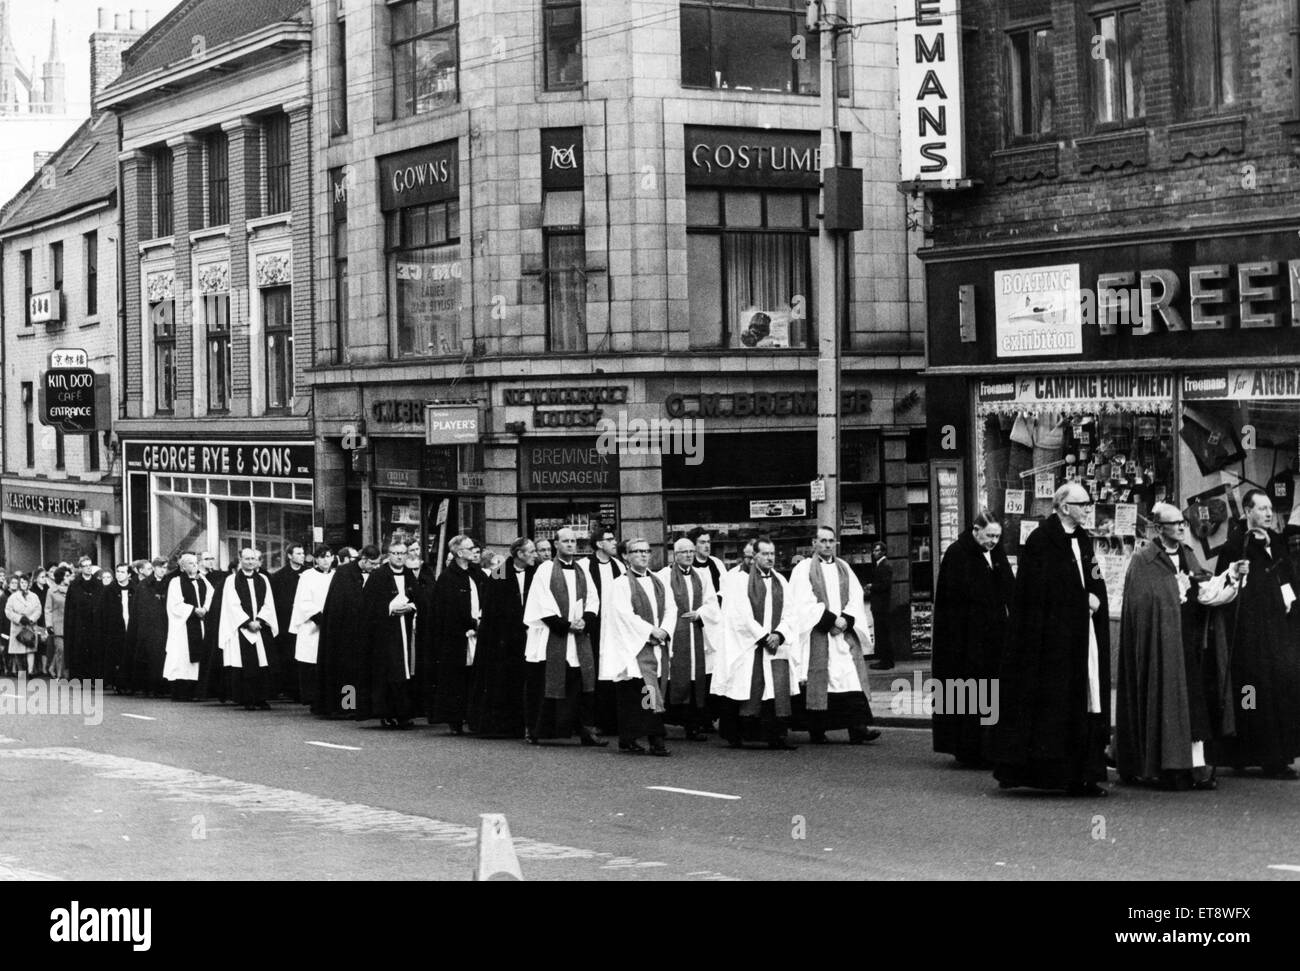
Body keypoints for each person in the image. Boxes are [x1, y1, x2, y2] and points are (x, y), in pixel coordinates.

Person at [1116, 503, 1243, 791]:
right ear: (1159, 528)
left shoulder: (1187, 555)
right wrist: (1176, 593)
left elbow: (1205, 590)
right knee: (1165, 699)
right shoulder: (1143, 561)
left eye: (1182, 523)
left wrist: (1232, 575)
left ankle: (1194, 766)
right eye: (1175, 524)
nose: (1182, 528)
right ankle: (1166, 767)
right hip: (1160, 645)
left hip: (1188, 642)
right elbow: (1142, 604)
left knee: (1193, 703)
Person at [994, 484, 1111, 796]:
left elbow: (1094, 575)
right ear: (1062, 506)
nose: (1088, 508)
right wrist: (1080, 598)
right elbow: (1040, 592)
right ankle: (1055, 773)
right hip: (1053, 642)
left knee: (1087, 700)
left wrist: (1097, 596)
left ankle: (1085, 774)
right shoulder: (1041, 541)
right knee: (1056, 706)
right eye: (1082, 503)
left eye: (1089, 503)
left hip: (1083, 634)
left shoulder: (1083, 539)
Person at [1213, 490, 1300, 779]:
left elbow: (1286, 576)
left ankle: (1276, 753)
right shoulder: (1235, 545)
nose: (1267, 513)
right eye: (1261, 508)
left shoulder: (1276, 542)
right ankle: (1249, 752)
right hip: (1250, 633)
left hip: (1278, 627)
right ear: (1247, 511)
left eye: (1269, 508)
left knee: (1279, 688)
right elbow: (1226, 585)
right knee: (1250, 691)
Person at [931, 513, 1015, 767]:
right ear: (976, 531)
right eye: (989, 535)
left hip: (993, 636)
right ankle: (968, 749)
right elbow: (953, 602)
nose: (993, 541)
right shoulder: (957, 554)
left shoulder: (996, 553)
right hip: (965, 638)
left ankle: (988, 746)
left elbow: (1009, 588)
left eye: (997, 536)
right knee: (968, 693)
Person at [789, 527, 881, 744]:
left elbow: (855, 597)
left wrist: (845, 620)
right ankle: (817, 730)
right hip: (819, 635)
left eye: (831, 541)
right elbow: (802, 601)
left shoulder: (844, 567)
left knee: (851, 680)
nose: (828, 545)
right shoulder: (803, 569)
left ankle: (858, 728)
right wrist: (830, 620)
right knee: (821, 681)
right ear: (814, 543)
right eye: (823, 541)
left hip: (842, 636)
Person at [522, 527, 606, 746]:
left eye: (573, 541)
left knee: (582, 683)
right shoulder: (546, 570)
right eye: (565, 541)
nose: (570, 544)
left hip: (578, 637)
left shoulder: (583, 570)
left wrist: (585, 620)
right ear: (556, 545)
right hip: (554, 635)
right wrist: (566, 625)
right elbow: (542, 602)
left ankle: (586, 730)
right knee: (549, 682)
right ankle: (539, 730)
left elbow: (593, 599)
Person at [715, 538, 800, 750]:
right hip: (751, 646)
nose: (770, 558)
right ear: (755, 557)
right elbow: (740, 615)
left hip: (775, 647)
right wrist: (763, 636)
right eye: (765, 554)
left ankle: (776, 736)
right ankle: (739, 735)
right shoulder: (741, 581)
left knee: (775, 690)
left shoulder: (781, 580)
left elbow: (791, 612)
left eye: (773, 553)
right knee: (748, 688)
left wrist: (779, 634)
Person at [600, 538, 675, 756]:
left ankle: (639, 737)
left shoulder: (659, 582)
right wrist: (651, 631)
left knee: (650, 692)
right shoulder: (620, 583)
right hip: (633, 650)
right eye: (637, 551)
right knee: (639, 695)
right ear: (626, 556)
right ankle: (649, 739)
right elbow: (623, 615)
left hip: (657, 646)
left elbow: (672, 608)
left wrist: (664, 631)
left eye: (647, 551)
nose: (643, 555)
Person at [468, 538, 535, 738]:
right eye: (530, 551)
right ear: (519, 554)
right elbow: (492, 607)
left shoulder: (536, 571)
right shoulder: (500, 573)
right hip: (506, 636)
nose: (534, 555)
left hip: (530, 632)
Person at [656, 538, 721, 740]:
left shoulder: (702, 575)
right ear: (675, 555)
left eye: (692, 551)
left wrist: (700, 613)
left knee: (694, 679)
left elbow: (712, 603)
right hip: (674, 633)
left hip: (695, 632)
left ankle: (692, 725)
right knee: (668, 678)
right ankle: (661, 723)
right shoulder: (664, 575)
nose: (689, 555)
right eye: (684, 552)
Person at [428, 535, 486, 733]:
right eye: (470, 548)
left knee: (475, 675)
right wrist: (468, 624)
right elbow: (445, 610)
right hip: (457, 637)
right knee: (456, 678)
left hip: (478, 631)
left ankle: (474, 716)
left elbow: (496, 581)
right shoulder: (447, 578)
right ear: (460, 553)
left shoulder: (477, 572)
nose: (474, 550)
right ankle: (455, 719)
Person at [363, 539, 420, 729]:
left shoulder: (410, 575)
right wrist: (390, 608)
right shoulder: (378, 576)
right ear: (389, 555)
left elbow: (419, 598)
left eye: (402, 553)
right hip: (385, 632)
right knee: (389, 671)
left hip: (406, 628)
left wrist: (410, 606)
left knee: (405, 672)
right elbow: (369, 603)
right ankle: (386, 713)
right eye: (395, 553)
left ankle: (404, 713)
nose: (399, 557)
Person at [317, 544, 378, 719]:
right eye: (372, 564)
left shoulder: (369, 574)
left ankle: (358, 704)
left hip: (361, 632)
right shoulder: (344, 573)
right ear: (364, 560)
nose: (374, 567)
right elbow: (338, 604)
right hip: (344, 633)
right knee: (346, 673)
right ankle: (347, 705)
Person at [217, 548, 278, 711]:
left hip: (260, 627)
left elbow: (268, 602)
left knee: (263, 663)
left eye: (253, 559)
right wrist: (247, 622)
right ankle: (248, 698)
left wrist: (260, 620)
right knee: (246, 664)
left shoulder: (263, 579)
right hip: (242, 628)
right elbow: (232, 604)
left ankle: (262, 698)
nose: (250, 562)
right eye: (247, 559)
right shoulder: (231, 580)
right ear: (240, 560)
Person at [582, 524, 624, 735]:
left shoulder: (619, 565)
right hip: (594, 628)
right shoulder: (584, 565)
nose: (615, 542)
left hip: (615, 629)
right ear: (599, 544)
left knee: (613, 673)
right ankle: (593, 720)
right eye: (610, 539)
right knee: (594, 674)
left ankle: (613, 721)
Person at [289, 546, 336, 709]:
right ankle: (313, 700)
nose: (325, 560)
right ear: (315, 559)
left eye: (328, 556)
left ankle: (336, 701)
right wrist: (320, 617)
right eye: (321, 557)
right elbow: (303, 601)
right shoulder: (307, 576)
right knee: (311, 662)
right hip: (312, 625)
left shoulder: (336, 576)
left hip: (331, 626)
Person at [164, 553, 213, 702]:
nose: (194, 566)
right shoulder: (176, 582)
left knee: (199, 658)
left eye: (195, 563)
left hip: (201, 623)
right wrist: (193, 610)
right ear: (183, 566)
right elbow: (174, 604)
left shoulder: (202, 579)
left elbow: (211, 595)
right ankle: (181, 691)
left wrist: (205, 608)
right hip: (184, 627)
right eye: (190, 563)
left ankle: (197, 691)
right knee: (183, 658)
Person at [127, 558, 171, 697]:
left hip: (165, 625)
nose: (163, 570)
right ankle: (150, 686)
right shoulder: (144, 585)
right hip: (149, 627)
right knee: (150, 656)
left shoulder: (169, 583)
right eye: (160, 567)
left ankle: (162, 686)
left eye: (165, 567)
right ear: (154, 568)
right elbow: (140, 607)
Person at [270, 544, 308, 702]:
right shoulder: (279, 576)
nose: (302, 556)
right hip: (286, 622)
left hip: (305, 621)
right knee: (288, 655)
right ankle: (289, 689)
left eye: (303, 553)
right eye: (298, 553)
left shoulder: (308, 574)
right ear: (290, 556)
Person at [63, 556, 102, 680]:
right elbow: (70, 608)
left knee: (94, 651)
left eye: (90, 565)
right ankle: (79, 678)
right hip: (79, 625)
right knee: (79, 651)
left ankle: (93, 678)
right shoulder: (74, 585)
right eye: (85, 565)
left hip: (95, 624)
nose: (89, 568)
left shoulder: (98, 584)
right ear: (80, 568)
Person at [101, 564, 136, 693]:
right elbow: (104, 611)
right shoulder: (109, 590)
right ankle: (118, 683)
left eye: (122, 572)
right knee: (117, 656)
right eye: (118, 571)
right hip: (115, 629)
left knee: (130, 655)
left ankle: (130, 683)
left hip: (131, 627)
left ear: (129, 574)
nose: (119, 574)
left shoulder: (135, 589)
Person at [6, 574, 44, 676]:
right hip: (18, 626)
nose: (24, 584)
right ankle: (21, 672)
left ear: (28, 584)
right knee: (18, 651)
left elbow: (38, 609)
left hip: (30, 626)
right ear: (19, 583)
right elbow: (8, 611)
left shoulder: (34, 596)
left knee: (30, 650)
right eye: (22, 582)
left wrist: (31, 619)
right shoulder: (13, 597)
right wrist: (19, 618)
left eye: (25, 582)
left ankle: (31, 671)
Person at [867, 542, 895, 670]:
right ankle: (887, 660)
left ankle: (885, 661)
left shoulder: (885, 566)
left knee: (882, 633)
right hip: (880, 605)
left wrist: (872, 587)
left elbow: (885, 585)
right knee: (882, 633)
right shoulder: (881, 565)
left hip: (881, 605)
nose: (874, 553)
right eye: (874, 550)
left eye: (877, 551)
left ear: (883, 552)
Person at [45, 567, 71, 680]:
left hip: (70, 624)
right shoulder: (51, 591)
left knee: (65, 649)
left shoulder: (71, 589)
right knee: (61, 649)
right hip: (58, 625)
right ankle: (60, 675)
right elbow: (48, 609)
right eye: (66, 576)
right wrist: (49, 625)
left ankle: (52, 667)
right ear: (61, 577)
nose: (69, 578)